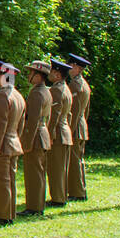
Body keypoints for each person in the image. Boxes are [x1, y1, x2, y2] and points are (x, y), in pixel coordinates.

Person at [0, 61, 25, 225]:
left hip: (3, 145)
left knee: (1, 182)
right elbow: (21, 124)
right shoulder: (18, 96)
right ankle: (9, 212)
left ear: (3, 77)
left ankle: (2, 215)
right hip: (14, 142)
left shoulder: (2, 96)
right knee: (10, 179)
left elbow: (0, 124)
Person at [18, 61, 54, 216]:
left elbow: (32, 120)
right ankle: (37, 204)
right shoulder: (45, 91)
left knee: (34, 174)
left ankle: (34, 206)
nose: (28, 76)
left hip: (36, 137)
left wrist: (26, 142)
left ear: (38, 76)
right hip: (42, 133)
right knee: (38, 172)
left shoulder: (37, 93)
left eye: (31, 73)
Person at [46, 60, 74, 207]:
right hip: (65, 132)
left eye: (51, 71)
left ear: (57, 74)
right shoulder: (65, 88)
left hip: (58, 134)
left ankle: (58, 198)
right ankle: (61, 195)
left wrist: (49, 135)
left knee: (56, 168)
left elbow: (54, 116)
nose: (49, 74)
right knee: (61, 167)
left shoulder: (56, 90)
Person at [67, 54, 91, 200]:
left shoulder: (75, 85)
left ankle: (77, 192)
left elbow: (74, 111)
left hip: (76, 127)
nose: (69, 68)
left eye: (70, 65)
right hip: (81, 126)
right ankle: (79, 190)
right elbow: (85, 111)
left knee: (74, 161)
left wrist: (70, 130)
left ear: (77, 68)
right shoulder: (84, 84)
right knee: (78, 160)